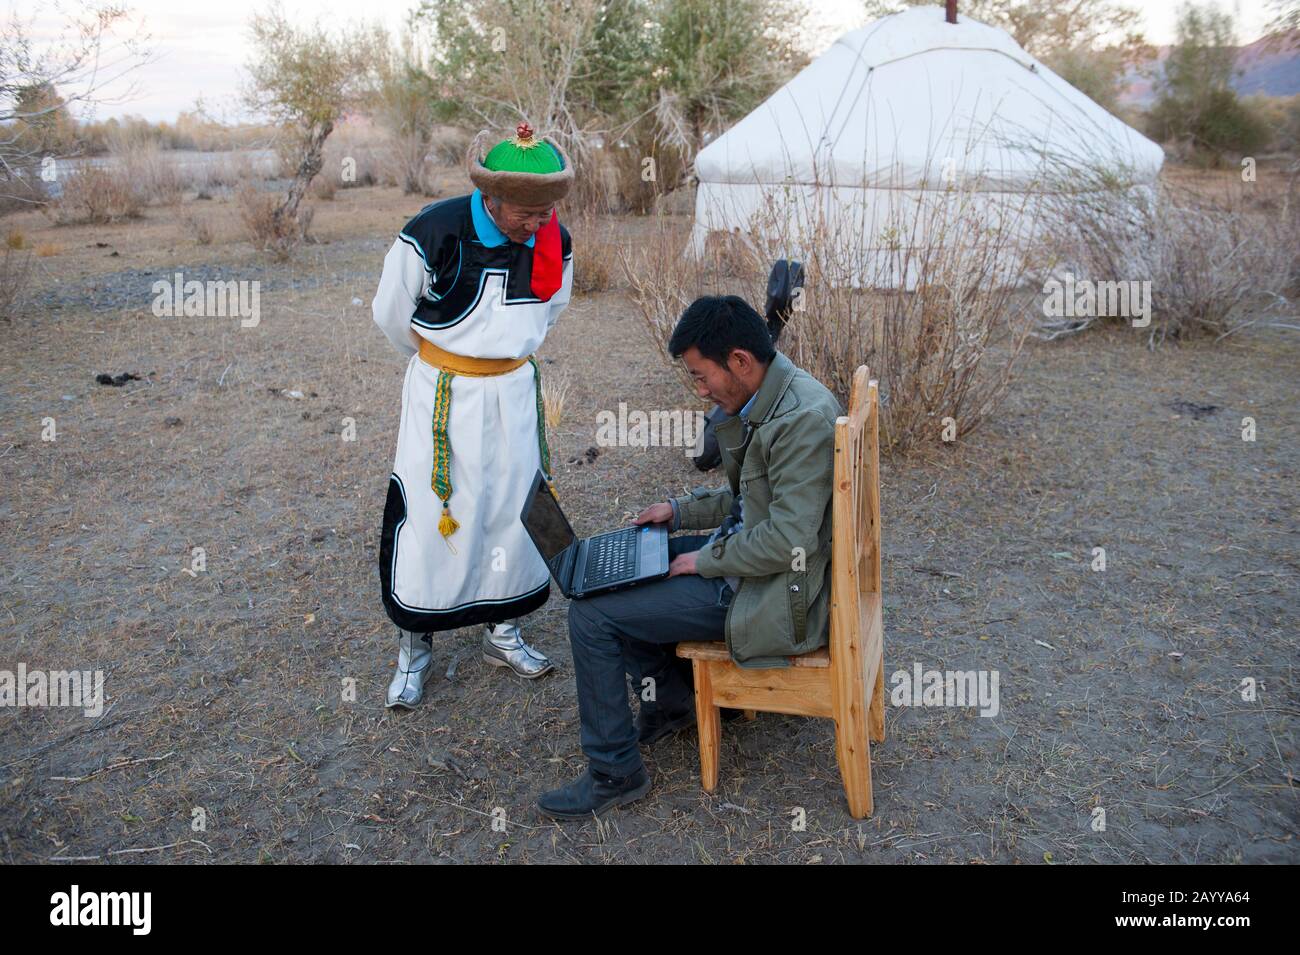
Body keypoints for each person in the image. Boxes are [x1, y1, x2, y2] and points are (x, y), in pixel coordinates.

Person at [537, 295, 843, 819]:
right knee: (623, 570)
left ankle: (615, 773)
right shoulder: (782, 396)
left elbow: (789, 541)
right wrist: (677, 513)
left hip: (774, 595)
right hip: (758, 571)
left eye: (702, 377)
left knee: (591, 615)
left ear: (741, 362)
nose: (700, 391)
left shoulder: (800, 420)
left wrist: (704, 561)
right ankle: (671, 702)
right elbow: (755, 497)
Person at [371, 122, 574, 708]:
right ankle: (415, 647)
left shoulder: (554, 238)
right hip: (444, 394)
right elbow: (391, 313)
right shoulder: (434, 230)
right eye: (526, 213)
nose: (538, 224)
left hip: (512, 394)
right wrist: (446, 361)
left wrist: (502, 358)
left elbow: (553, 307)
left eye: (547, 211)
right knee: (437, 510)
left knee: (513, 507)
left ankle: (503, 630)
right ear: (492, 197)